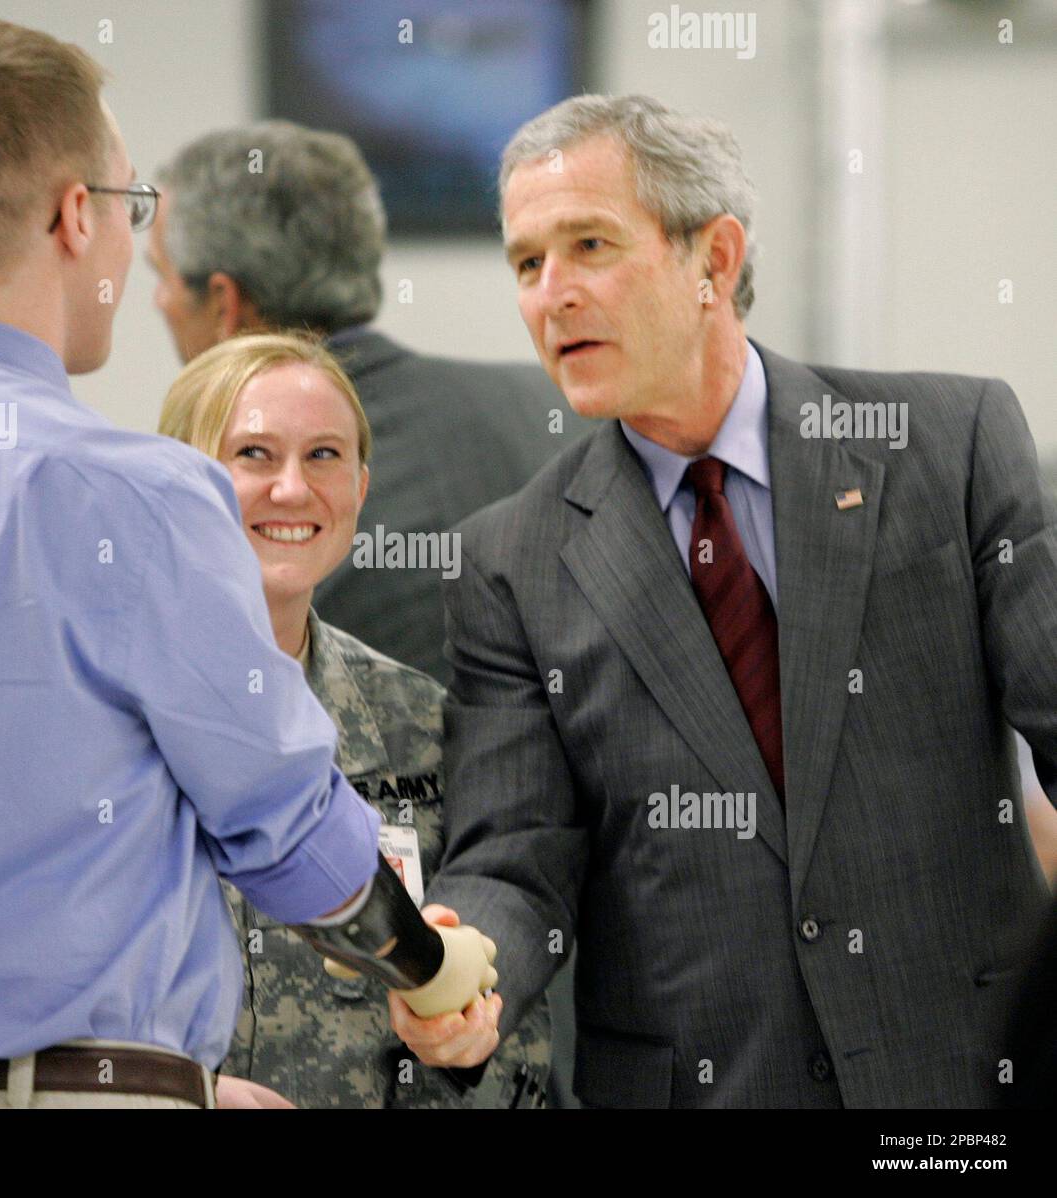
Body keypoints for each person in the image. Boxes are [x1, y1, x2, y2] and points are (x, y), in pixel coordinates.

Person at [0, 19, 493, 1111]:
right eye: (128, 208)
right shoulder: (133, 494)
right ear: (72, 217)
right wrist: (436, 970)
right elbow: (287, 829)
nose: (124, 253)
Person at [392, 93, 1057, 1108]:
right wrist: (465, 962)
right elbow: (514, 856)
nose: (552, 293)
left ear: (714, 256)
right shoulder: (510, 557)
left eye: (588, 246)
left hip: (958, 1076)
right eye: (527, 264)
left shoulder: (946, 444)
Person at [158, 332, 551, 1108]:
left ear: (363, 488)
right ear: (179, 482)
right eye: (255, 455)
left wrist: (464, 1043)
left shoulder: (418, 726)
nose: (294, 490)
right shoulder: (99, 722)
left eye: (326, 456)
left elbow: (511, 1047)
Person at [149, 121, 590, 685]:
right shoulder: (563, 412)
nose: (158, 302)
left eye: (159, 275)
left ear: (222, 305)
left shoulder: (240, 529)